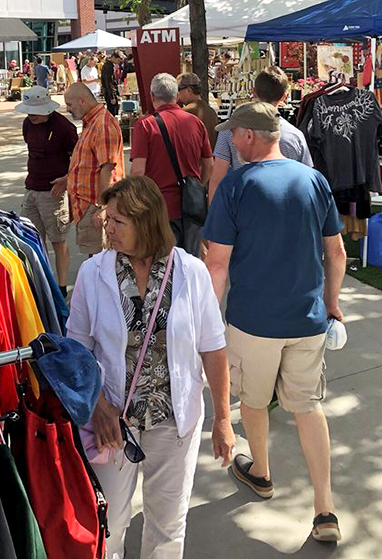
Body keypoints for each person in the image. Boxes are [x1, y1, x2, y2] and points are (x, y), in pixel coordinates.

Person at [68, 176, 235, 559]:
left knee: (168, 525)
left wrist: (223, 419)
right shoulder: (93, 274)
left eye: (117, 222)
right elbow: (77, 351)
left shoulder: (191, 273)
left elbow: (213, 348)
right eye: (107, 219)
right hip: (113, 425)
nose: (106, 228)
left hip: (174, 423)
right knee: (109, 523)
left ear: (145, 222)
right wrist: (97, 406)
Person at [203, 102, 347, 544]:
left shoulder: (236, 186)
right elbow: (336, 253)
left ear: (248, 136)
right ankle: (325, 509)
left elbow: (217, 263)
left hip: (253, 321)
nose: (232, 140)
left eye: (235, 134)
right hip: (306, 318)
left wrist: (209, 319)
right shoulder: (313, 180)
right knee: (307, 407)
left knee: (253, 400)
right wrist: (332, 303)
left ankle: (261, 473)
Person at [130, 73, 213, 249]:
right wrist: (195, 186)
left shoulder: (145, 125)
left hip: (159, 207)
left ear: (152, 96)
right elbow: (208, 164)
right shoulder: (195, 123)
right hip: (191, 206)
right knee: (188, 264)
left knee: (162, 266)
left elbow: (138, 171)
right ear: (176, 96)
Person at [209, 66, 312, 201]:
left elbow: (217, 180)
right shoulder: (296, 136)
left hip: (244, 206)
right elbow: (307, 180)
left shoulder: (230, 130)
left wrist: (214, 216)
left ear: (253, 92)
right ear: (284, 96)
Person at [16, 86, 78, 296]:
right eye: (29, 111)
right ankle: (41, 282)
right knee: (31, 239)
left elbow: (79, 160)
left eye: (35, 112)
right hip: (31, 188)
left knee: (58, 241)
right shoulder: (28, 124)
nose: (31, 116)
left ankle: (61, 288)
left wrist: (68, 180)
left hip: (54, 192)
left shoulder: (63, 127)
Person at [52, 83, 125, 257]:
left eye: (70, 105)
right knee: (95, 262)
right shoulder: (92, 122)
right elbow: (88, 163)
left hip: (94, 206)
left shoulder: (102, 124)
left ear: (82, 101)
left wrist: (103, 207)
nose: (68, 109)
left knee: (100, 262)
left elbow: (108, 169)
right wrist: (68, 179)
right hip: (87, 206)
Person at [177, 71, 219, 149]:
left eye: (178, 89)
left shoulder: (184, 113)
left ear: (188, 90)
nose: (177, 93)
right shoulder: (211, 112)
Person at [101, 50, 122, 116]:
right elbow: (109, 82)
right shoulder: (108, 67)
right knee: (113, 112)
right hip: (109, 92)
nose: (118, 63)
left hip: (110, 91)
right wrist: (112, 96)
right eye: (118, 60)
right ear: (113, 58)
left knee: (114, 111)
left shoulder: (110, 65)